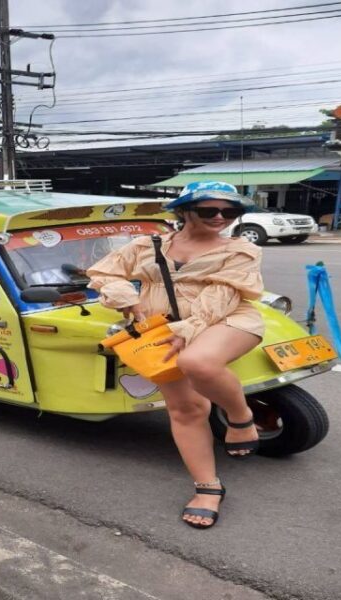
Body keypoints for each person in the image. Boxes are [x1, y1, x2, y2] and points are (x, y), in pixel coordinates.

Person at [86, 181, 264, 530]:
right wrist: (129, 299)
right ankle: (208, 488)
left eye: (229, 212)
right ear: (183, 211)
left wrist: (188, 330)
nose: (219, 218)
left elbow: (224, 295)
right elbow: (103, 273)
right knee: (186, 409)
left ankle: (241, 418)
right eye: (208, 210)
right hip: (163, 328)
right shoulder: (147, 245)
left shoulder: (241, 249)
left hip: (226, 319)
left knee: (196, 361)